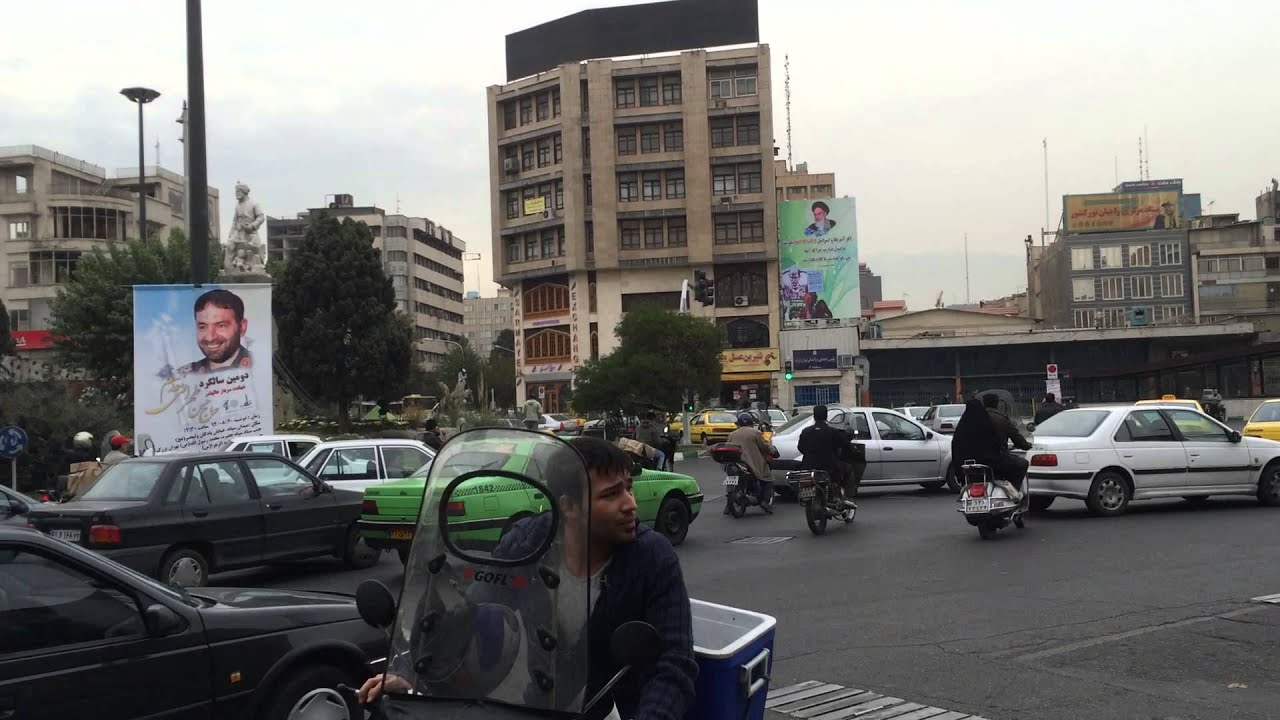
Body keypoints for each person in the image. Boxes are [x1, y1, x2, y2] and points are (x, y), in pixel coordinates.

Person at [357, 436, 698, 720]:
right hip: (541, 704)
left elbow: (673, 665)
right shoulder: (528, 543)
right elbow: (471, 614)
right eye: (611, 494)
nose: (630, 505)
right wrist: (408, 672)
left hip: (620, 707)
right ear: (568, 507)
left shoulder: (652, 557)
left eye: (628, 488)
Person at [797, 405, 857, 508]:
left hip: (808, 466)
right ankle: (848, 497)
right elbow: (845, 444)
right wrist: (854, 450)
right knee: (849, 469)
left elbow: (801, 448)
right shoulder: (832, 432)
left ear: (814, 416)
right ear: (826, 416)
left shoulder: (805, 432)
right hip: (829, 466)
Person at [180, 289, 252, 375]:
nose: (210, 337)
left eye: (221, 326)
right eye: (202, 327)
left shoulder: (262, 367)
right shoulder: (184, 376)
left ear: (241, 327)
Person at [980, 393, 1031, 492]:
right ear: (997, 404)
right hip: (998, 459)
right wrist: (1027, 445)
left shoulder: (975, 418)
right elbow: (1017, 438)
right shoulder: (1002, 419)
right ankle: (1013, 492)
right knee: (1022, 464)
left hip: (977, 459)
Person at [725, 412, 774, 515]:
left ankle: (728, 506)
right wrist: (772, 450)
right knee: (768, 478)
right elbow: (765, 447)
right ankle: (764, 501)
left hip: (735, 463)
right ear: (751, 422)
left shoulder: (732, 434)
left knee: (731, 480)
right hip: (750, 463)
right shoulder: (755, 433)